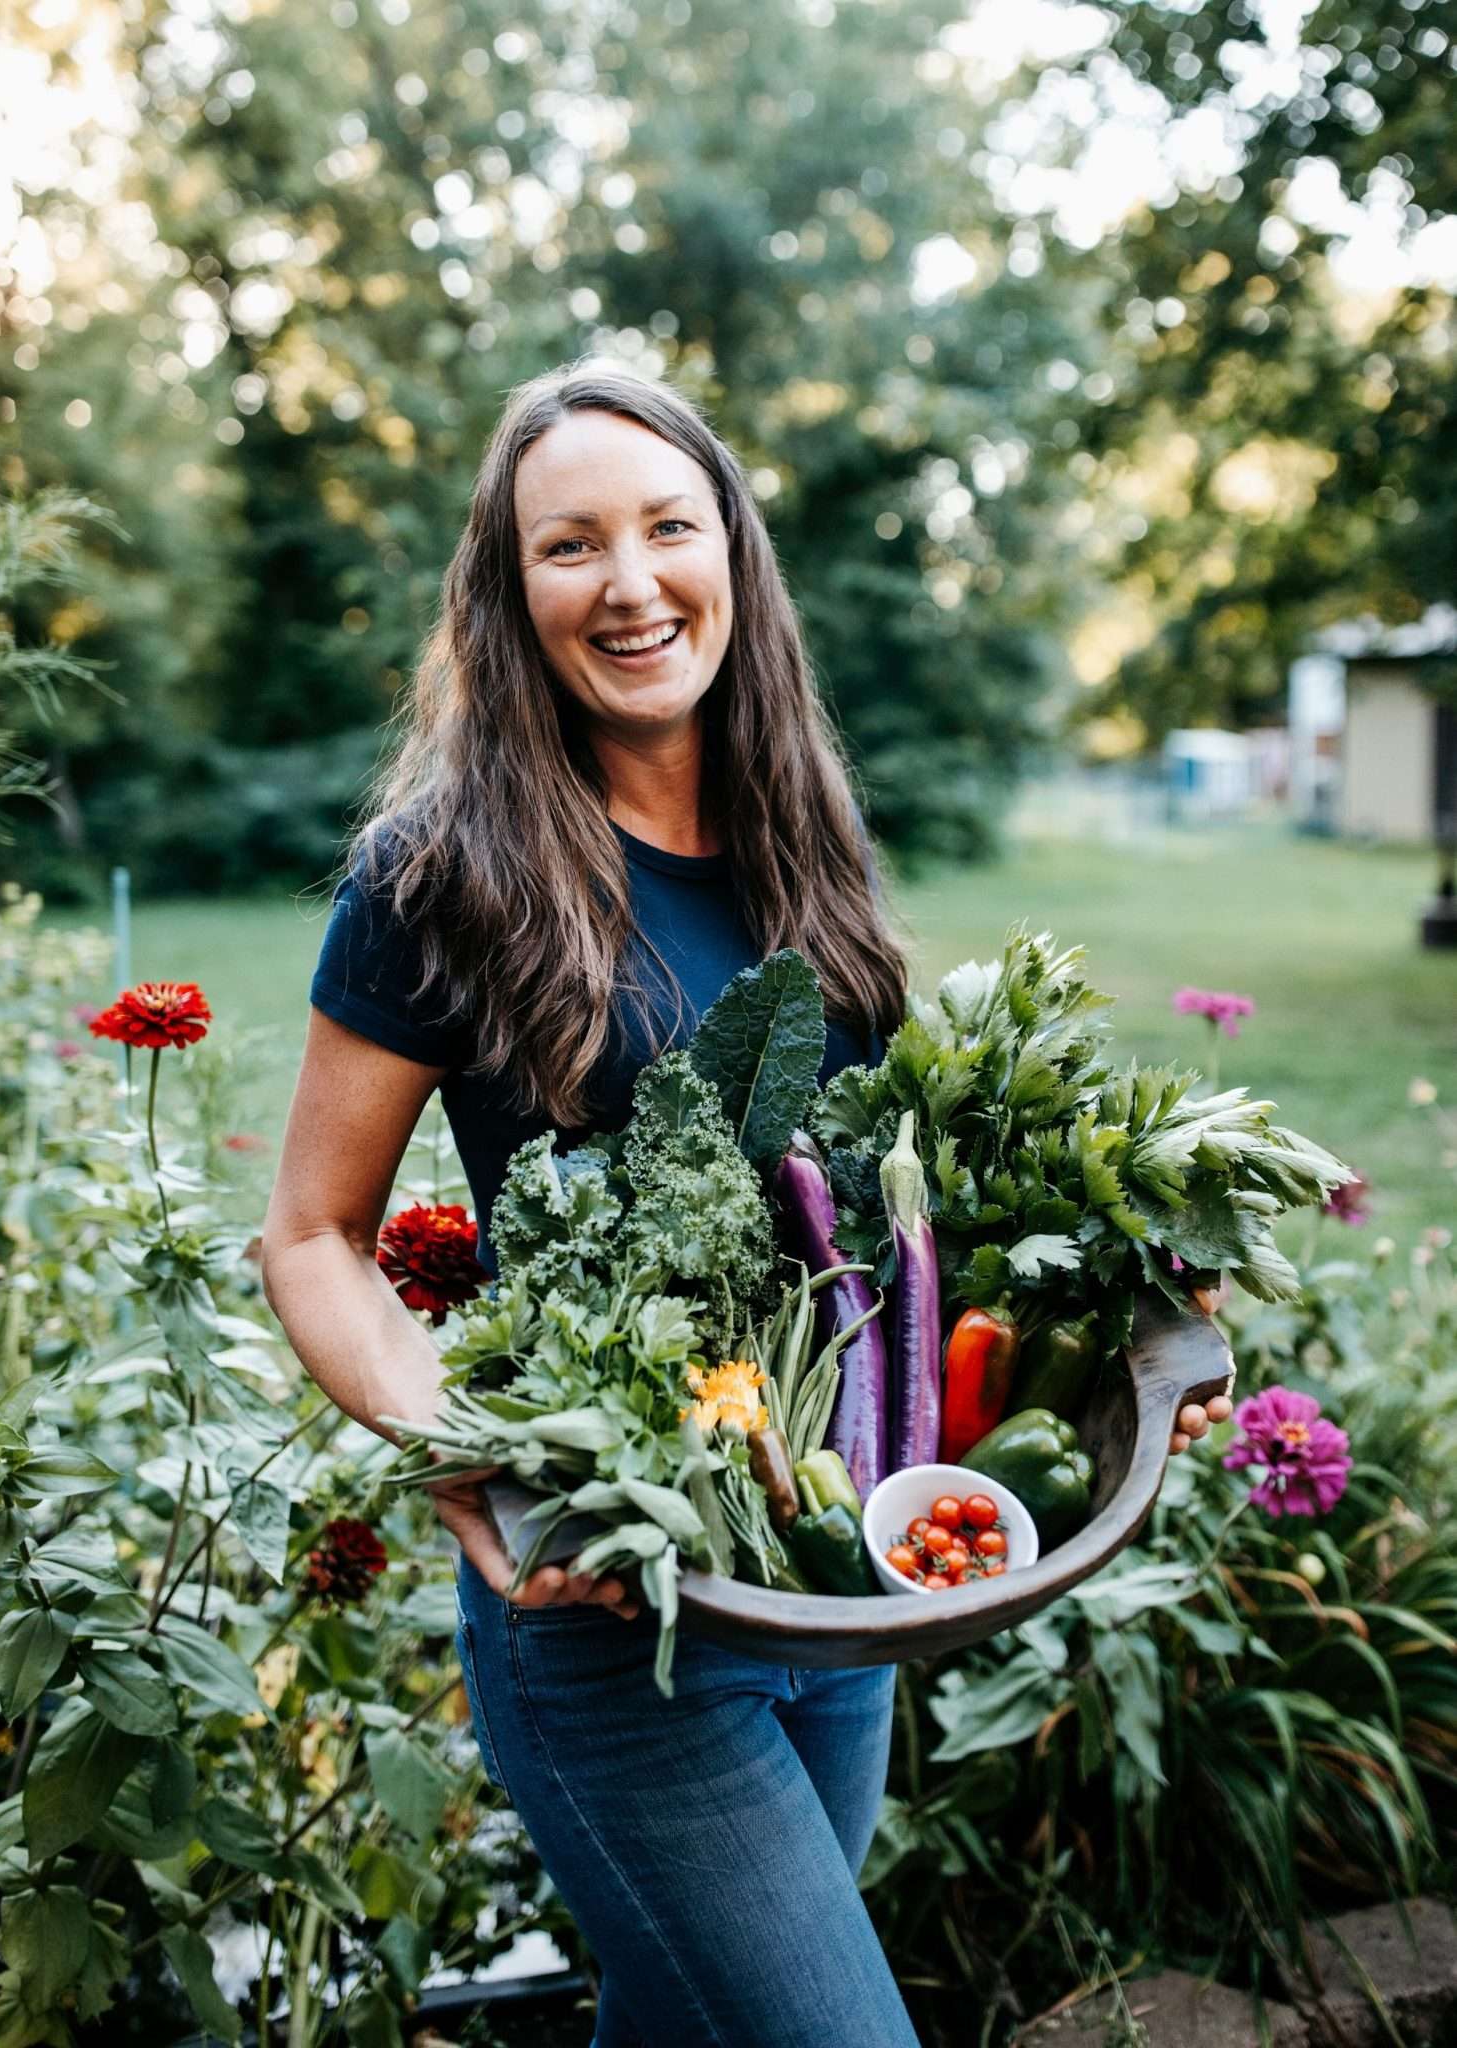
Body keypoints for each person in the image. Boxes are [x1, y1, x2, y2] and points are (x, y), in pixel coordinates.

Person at [261, 363, 1232, 2048]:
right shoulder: (440, 871)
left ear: (735, 558)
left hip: (824, 1587)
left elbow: (906, 1197)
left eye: (667, 530)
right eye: (570, 547)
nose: (630, 584)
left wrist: (1134, 1332)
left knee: (685, 2022)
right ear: (510, 595)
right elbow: (312, 1234)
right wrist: (463, 1441)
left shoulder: (807, 829)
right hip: (613, 1617)